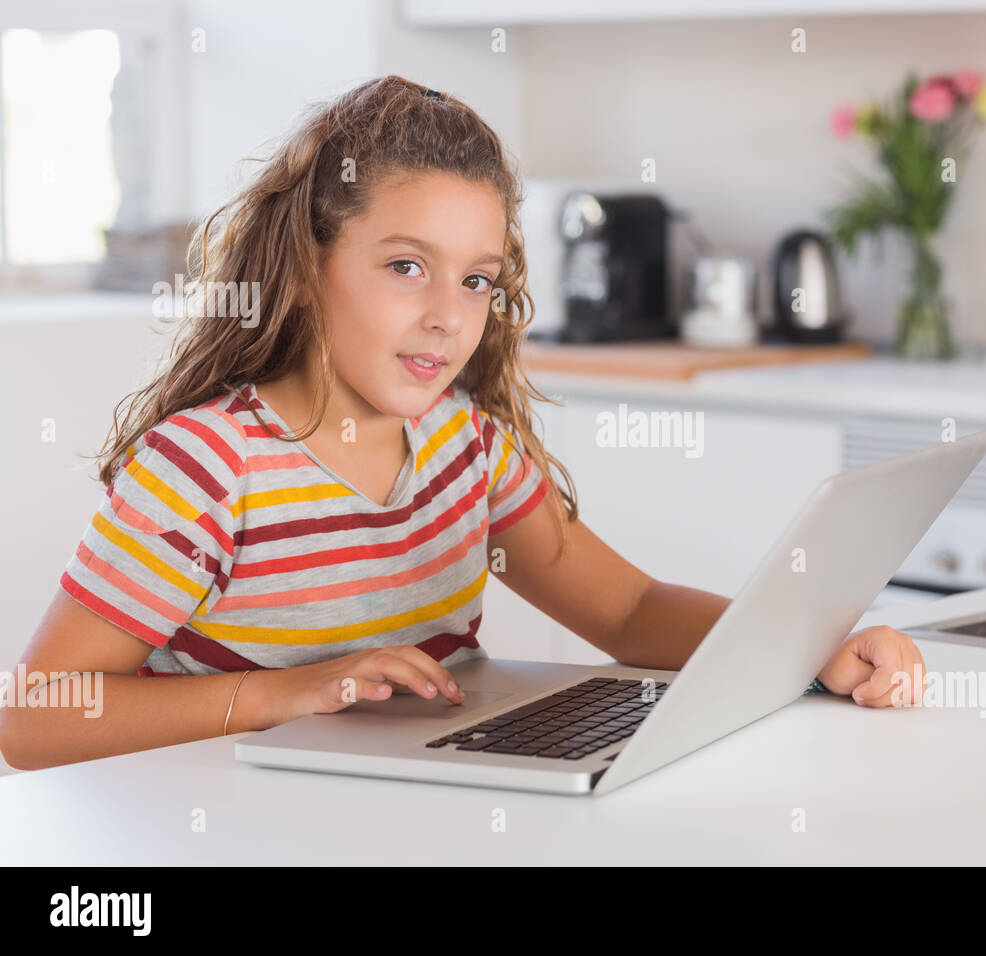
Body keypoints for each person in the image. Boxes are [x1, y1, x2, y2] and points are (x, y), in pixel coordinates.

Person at [0, 77, 924, 771]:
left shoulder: (465, 446)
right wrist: (287, 694)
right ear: (307, 264)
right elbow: (34, 716)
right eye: (407, 266)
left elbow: (631, 610)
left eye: (477, 279)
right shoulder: (207, 468)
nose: (450, 313)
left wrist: (814, 648)